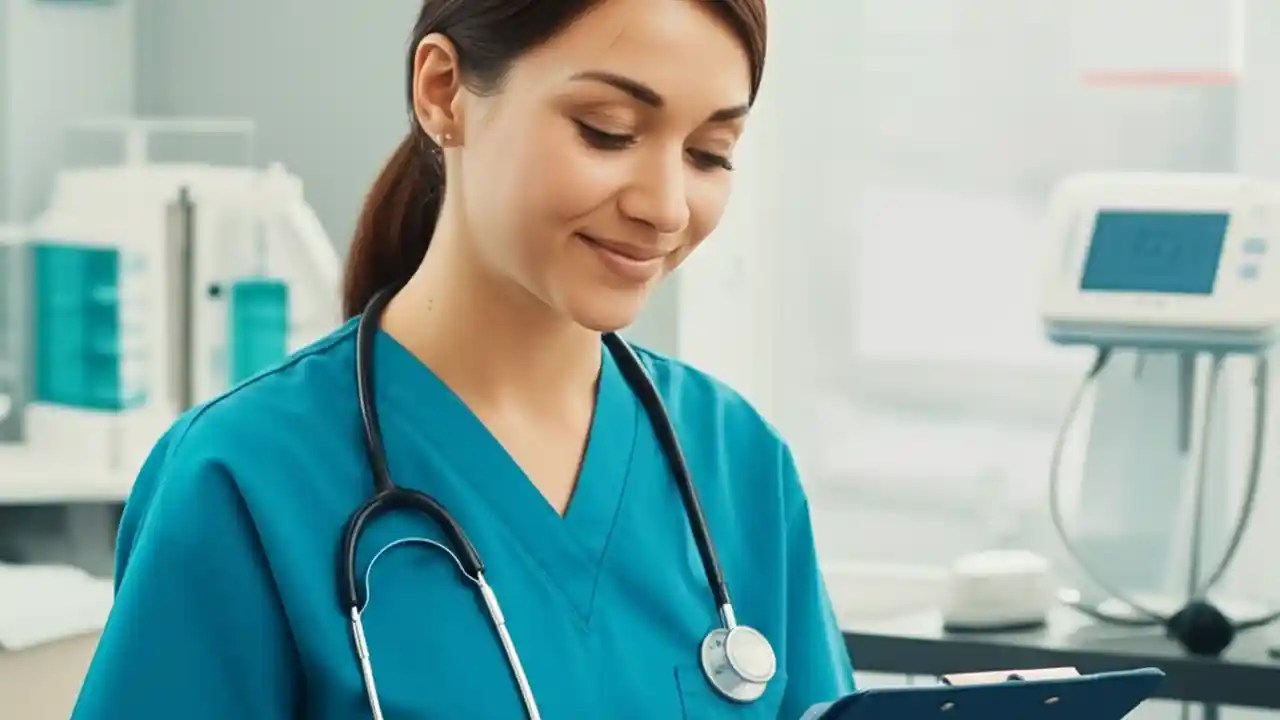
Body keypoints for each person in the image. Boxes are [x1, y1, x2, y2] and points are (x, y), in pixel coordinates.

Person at [71, 0, 855, 717]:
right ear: (444, 90)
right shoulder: (244, 478)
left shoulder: (739, 466)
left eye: (709, 153)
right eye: (607, 129)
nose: (666, 205)